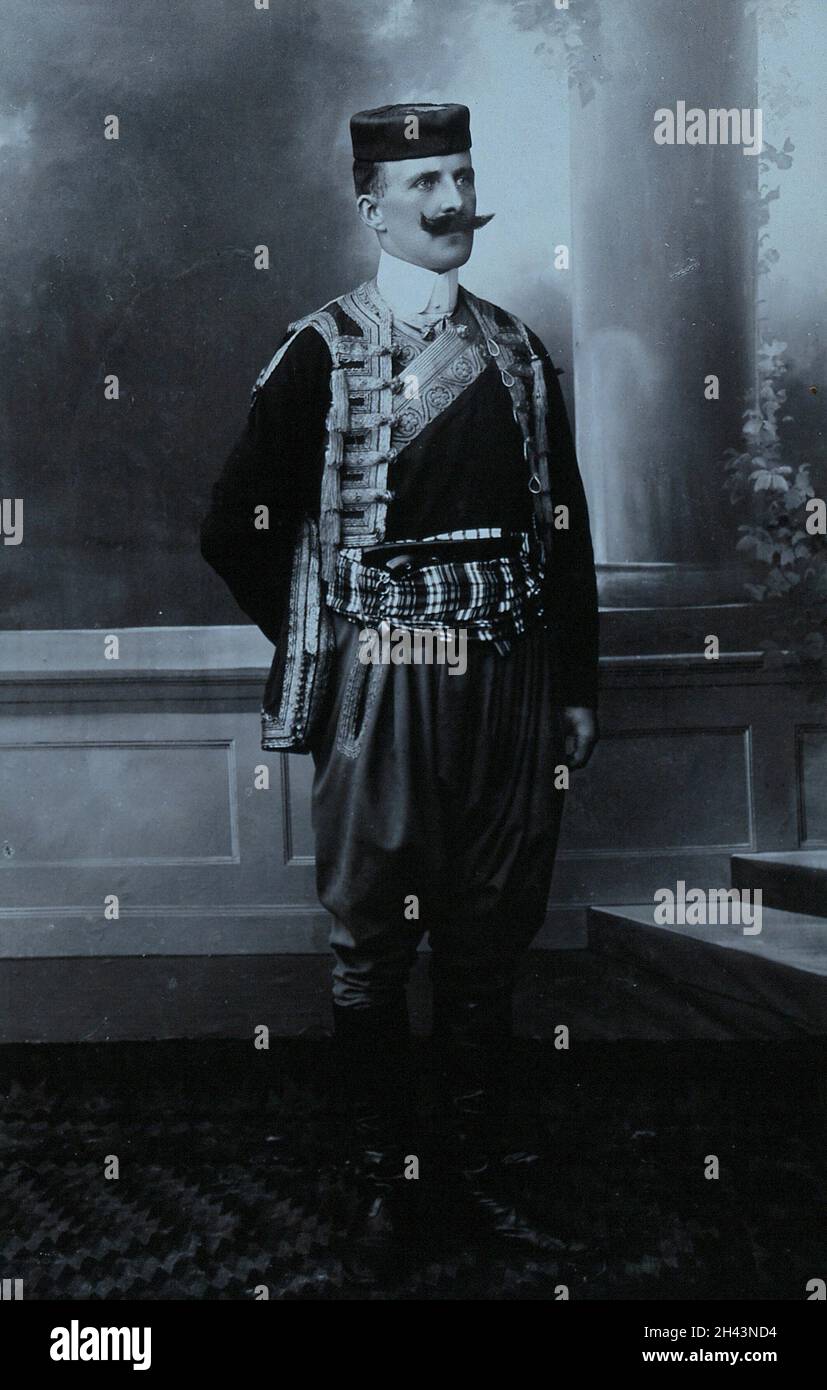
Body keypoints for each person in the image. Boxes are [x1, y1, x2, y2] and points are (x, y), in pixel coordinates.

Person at [200, 102, 599, 1284]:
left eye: (462, 175)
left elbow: (564, 525)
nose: (448, 200)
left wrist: (574, 680)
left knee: (487, 932)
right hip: (390, 675)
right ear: (372, 205)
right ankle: (387, 1177)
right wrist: (325, 640)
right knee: (376, 939)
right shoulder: (319, 349)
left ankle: (474, 1172)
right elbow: (234, 527)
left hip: (514, 673)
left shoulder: (519, 348)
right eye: (423, 180)